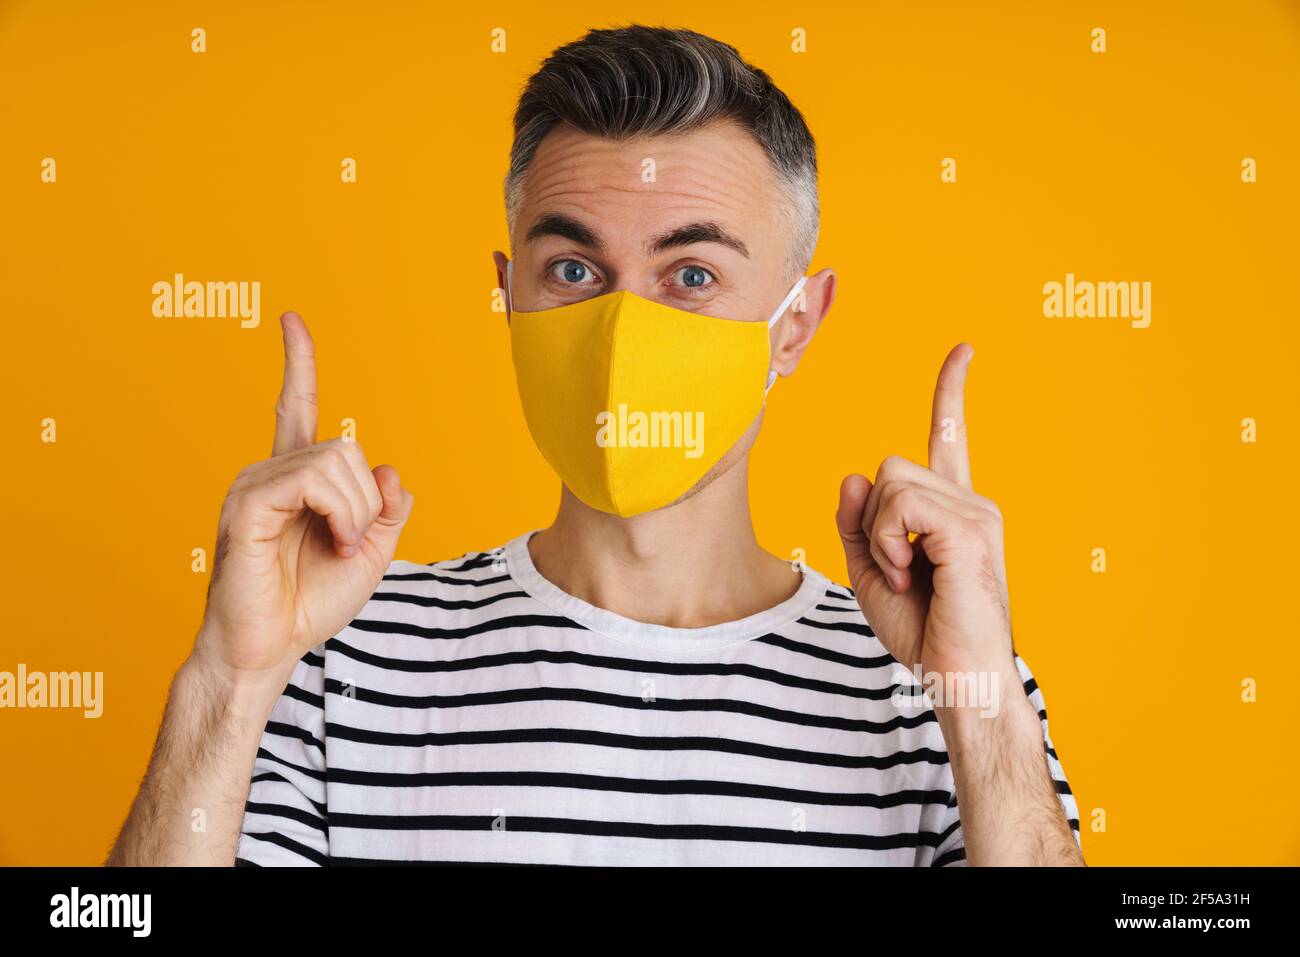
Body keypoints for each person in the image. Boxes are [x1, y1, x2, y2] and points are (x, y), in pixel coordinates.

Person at [108, 25, 1082, 866]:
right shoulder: (332, 653)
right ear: (509, 294)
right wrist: (228, 679)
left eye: (691, 275)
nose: (621, 332)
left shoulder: (936, 681)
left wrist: (981, 699)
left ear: (795, 324)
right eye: (573, 267)